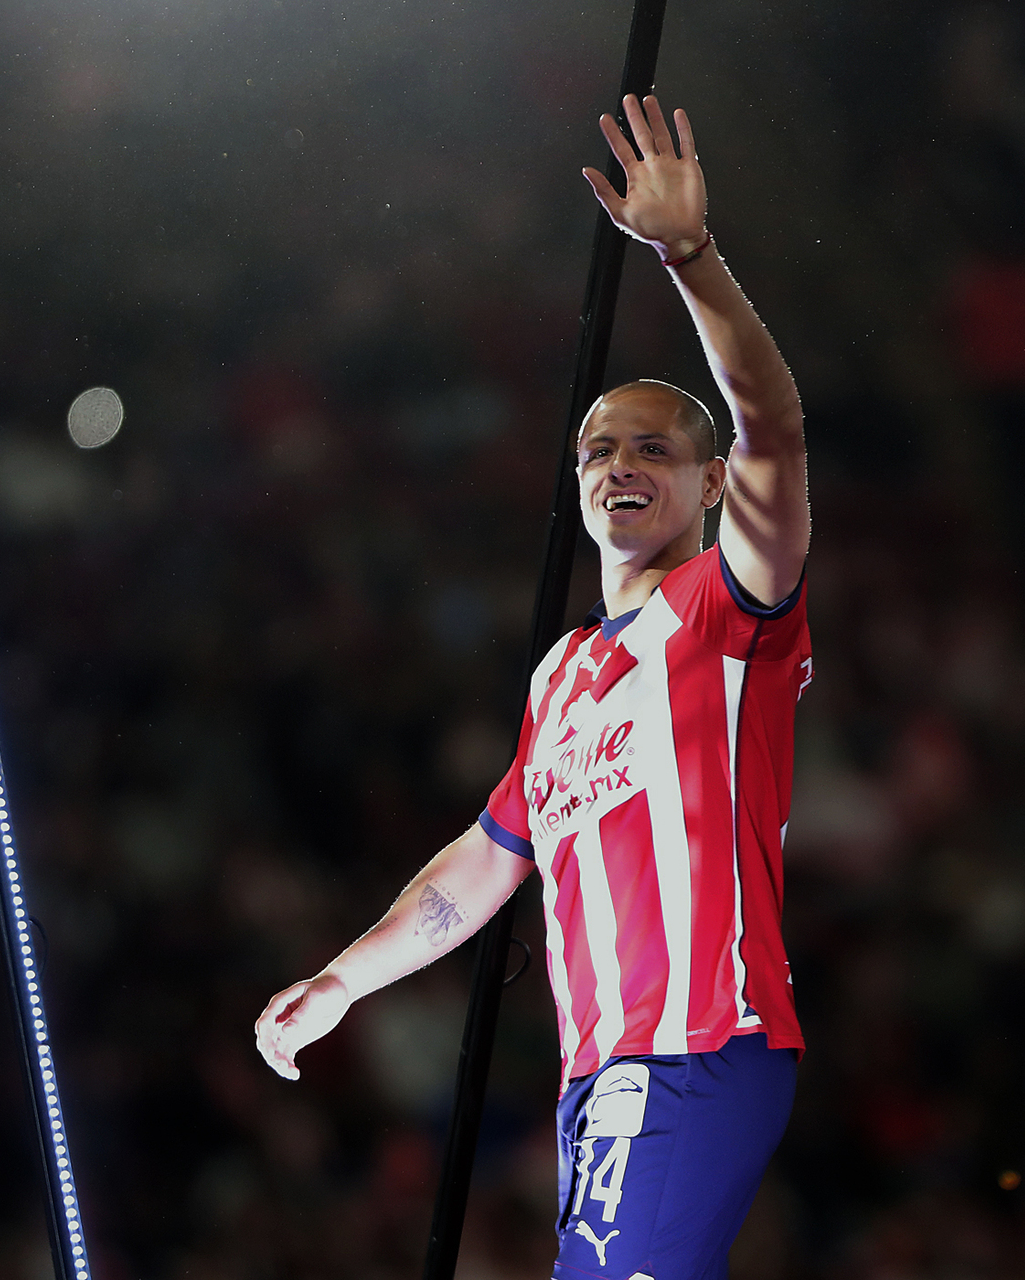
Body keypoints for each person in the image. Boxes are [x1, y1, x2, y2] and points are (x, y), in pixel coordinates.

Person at [255, 93, 810, 1280]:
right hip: (599, 1075)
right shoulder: (562, 673)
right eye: (598, 448)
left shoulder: (725, 609)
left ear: (709, 484)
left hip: (698, 1044)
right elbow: (484, 859)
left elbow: (773, 426)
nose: (620, 464)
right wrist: (344, 979)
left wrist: (689, 255)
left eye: (654, 447)